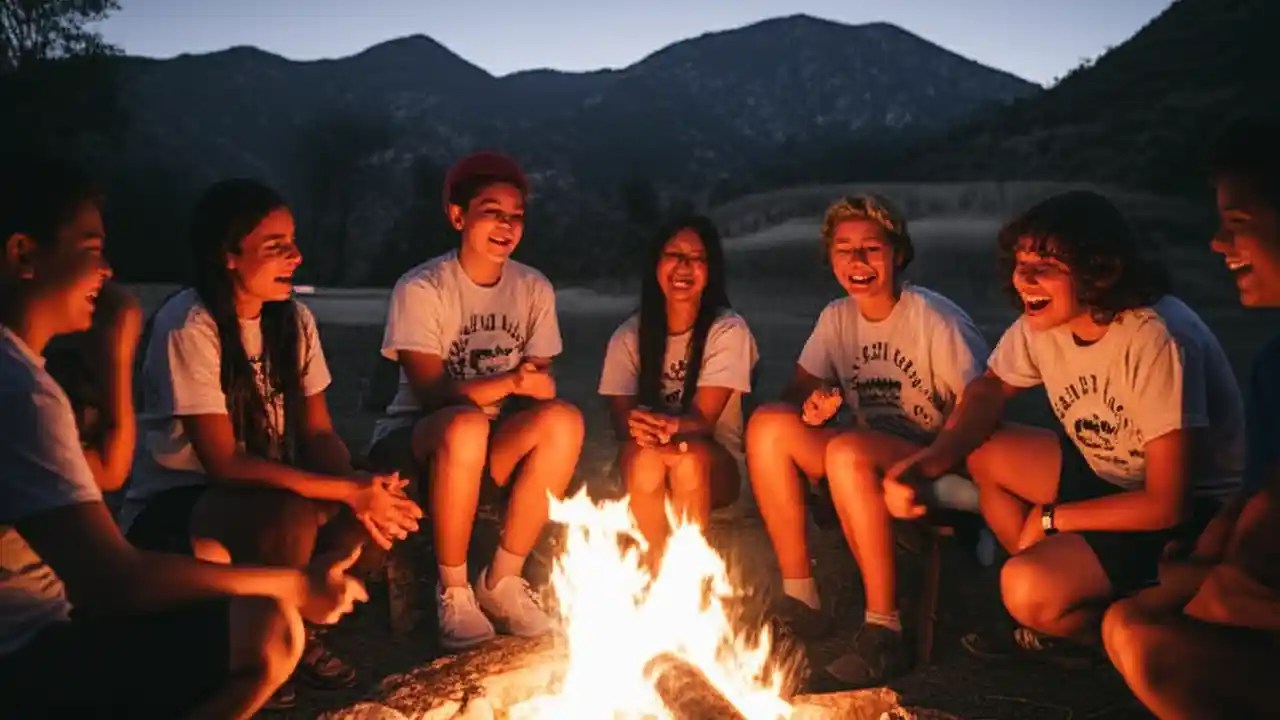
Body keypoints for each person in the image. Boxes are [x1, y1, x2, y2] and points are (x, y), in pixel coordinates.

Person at [0, 156, 367, 718]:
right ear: (25, 255)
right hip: (30, 650)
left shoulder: (27, 378)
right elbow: (113, 581)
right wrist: (292, 585)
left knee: (358, 505)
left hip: (56, 616)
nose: (107, 271)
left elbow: (106, 476)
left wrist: (359, 492)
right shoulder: (22, 391)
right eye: (91, 249)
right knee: (269, 628)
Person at [885, 190, 1246, 661]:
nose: (1025, 280)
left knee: (1025, 586)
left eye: (1046, 267)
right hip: (1106, 473)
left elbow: (1168, 503)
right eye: (1021, 263)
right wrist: (930, 462)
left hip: (1193, 512)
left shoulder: (1155, 338)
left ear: (1098, 270)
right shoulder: (1046, 322)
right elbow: (990, 389)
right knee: (985, 450)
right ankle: (1062, 596)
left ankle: (1103, 625)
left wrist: (1053, 519)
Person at [121, 178, 422, 694]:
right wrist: (346, 489)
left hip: (272, 490)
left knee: (373, 512)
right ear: (228, 256)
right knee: (288, 513)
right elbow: (224, 464)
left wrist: (361, 486)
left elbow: (319, 431)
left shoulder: (293, 320)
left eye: (294, 241)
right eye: (275, 247)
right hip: (180, 503)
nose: (296, 257)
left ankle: (297, 622)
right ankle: (265, 640)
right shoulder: (189, 324)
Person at [745, 194, 989, 686]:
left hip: (940, 463)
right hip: (860, 455)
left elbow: (980, 411)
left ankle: (884, 632)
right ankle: (801, 596)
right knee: (770, 424)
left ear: (897, 253)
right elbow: (795, 394)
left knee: (847, 449)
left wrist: (931, 463)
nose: (857, 262)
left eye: (871, 249)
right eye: (844, 249)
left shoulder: (935, 320)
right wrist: (814, 405)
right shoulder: (837, 319)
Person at [368, 151, 584, 650]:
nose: (507, 225)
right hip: (416, 439)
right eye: (492, 211)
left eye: (517, 216)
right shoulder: (422, 288)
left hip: (491, 439)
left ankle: (501, 580)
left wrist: (529, 388)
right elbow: (432, 393)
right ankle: (454, 589)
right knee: (465, 424)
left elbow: (539, 385)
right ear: (458, 215)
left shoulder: (533, 288)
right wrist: (510, 382)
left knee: (565, 421)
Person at [1102, 116, 1280, 719]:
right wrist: (1210, 556)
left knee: (1160, 641)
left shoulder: (1161, 338)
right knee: (1128, 622)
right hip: (1245, 569)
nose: (1217, 244)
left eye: (1238, 226)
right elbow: (1255, 492)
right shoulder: (1272, 362)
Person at [598, 215, 758, 563]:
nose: (684, 267)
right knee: (646, 458)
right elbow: (620, 421)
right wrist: (641, 426)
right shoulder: (628, 336)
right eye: (674, 255)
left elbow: (704, 419)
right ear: (656, 264)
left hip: (716, 465)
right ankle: (655, 569)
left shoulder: (727, 330)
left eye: (697, 258)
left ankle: (686, 572)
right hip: (646, 455)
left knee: (686, 457)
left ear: (710, 269)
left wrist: (667, 427)